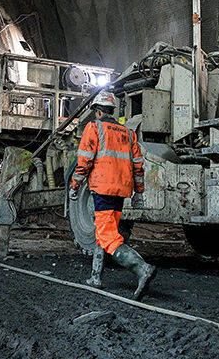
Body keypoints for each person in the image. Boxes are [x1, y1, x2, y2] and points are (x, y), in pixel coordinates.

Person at [69, 90, 157, 299]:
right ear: (112, 111)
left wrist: (74, 185)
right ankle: (95, 276)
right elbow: (138, 166)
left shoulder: (94, 128)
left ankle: (142, 269)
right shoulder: (128, 134)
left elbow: (84, 162)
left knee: (108, 236)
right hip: (121, 190)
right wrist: (139, 193)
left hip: (103, 189)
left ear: (97, 111)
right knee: (105, 229)